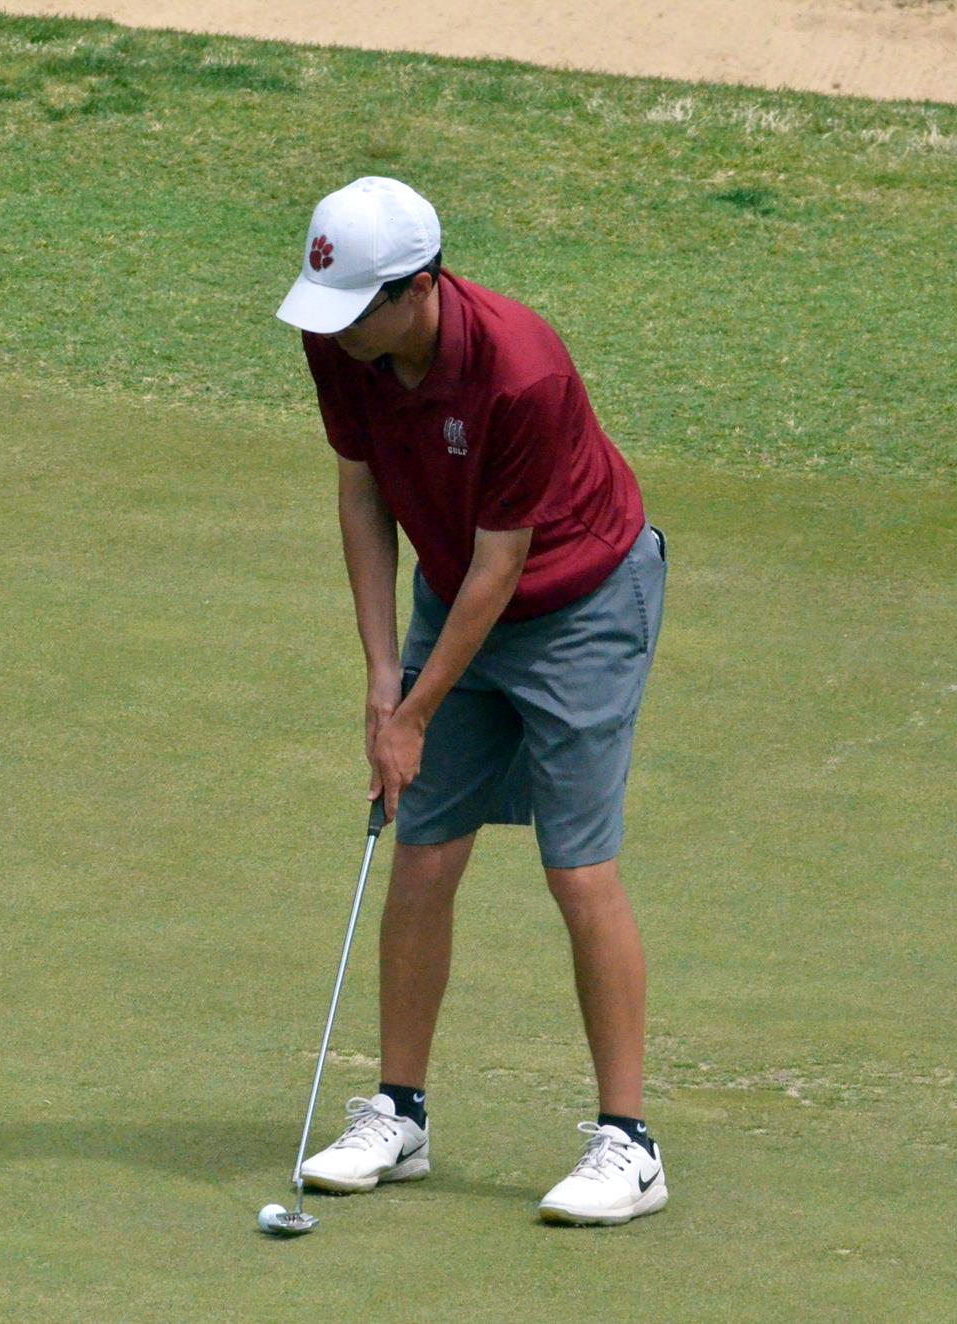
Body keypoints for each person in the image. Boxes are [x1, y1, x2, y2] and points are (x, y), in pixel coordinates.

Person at [275, 177, 669, 1226]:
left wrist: (413, 712)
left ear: (417, 289)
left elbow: (505, 565)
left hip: (580, 599)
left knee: (576, 864)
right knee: (425, 848)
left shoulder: (517, 370)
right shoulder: (341, 341)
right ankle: (397, 1114)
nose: (337, 330)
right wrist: (378, 677)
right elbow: (361, 489)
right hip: (454, 590)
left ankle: (629, 1143)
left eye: (359, 308)